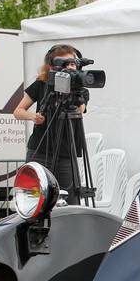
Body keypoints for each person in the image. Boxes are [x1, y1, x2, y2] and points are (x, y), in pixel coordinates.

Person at [14, 43, 90, 203]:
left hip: (66, 154)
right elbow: (18, 111)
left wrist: (71, 91)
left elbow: (80, 109)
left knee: (71, 202)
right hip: (40, 151)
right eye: (65, 63)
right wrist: (33, 116)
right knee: (35, 201)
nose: (70, 67)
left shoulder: (80, 89)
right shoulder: (41, 84)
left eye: (72, 63)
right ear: (51, 67)